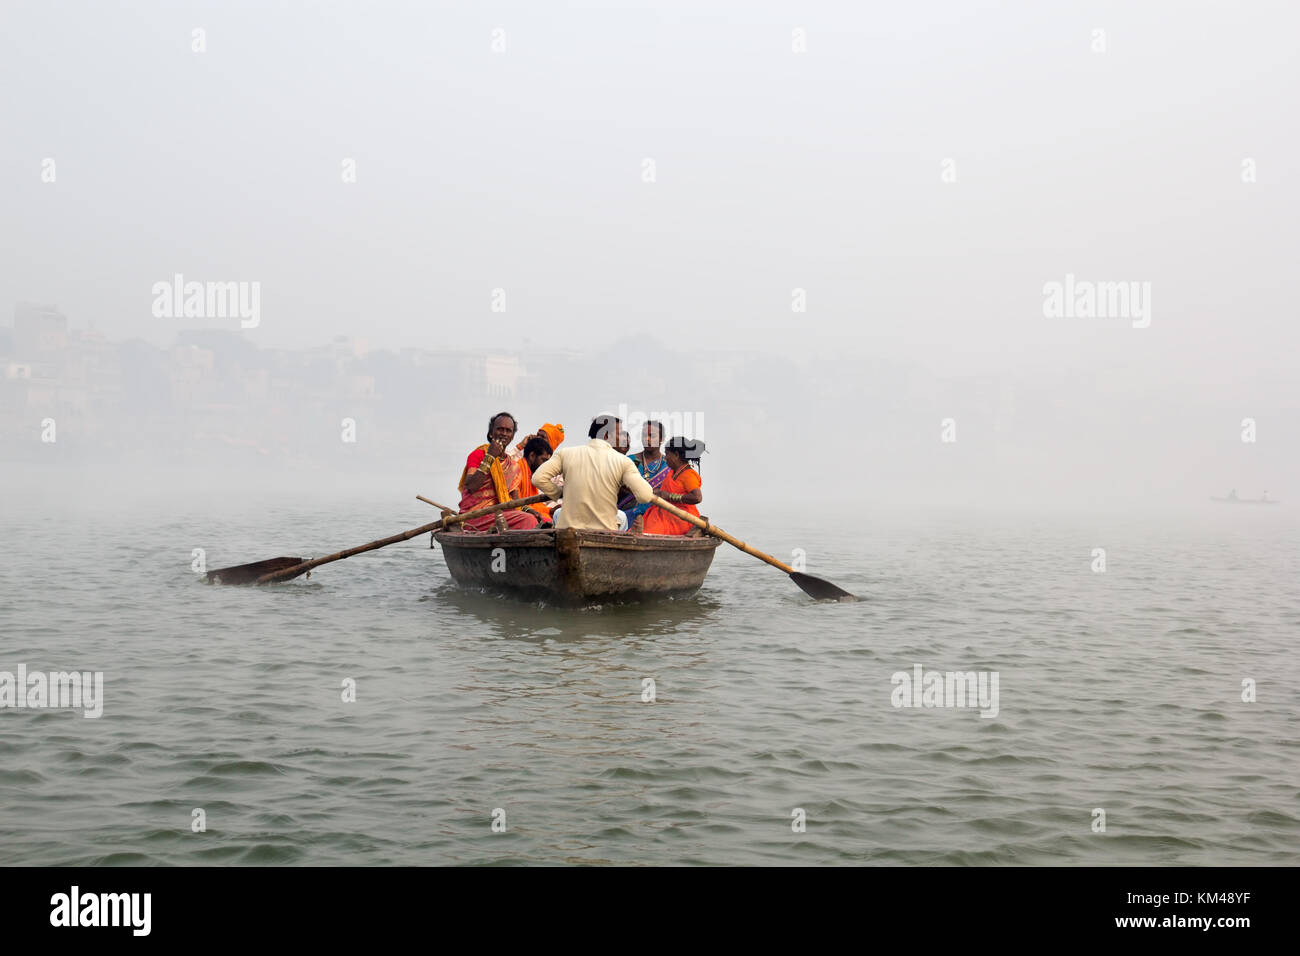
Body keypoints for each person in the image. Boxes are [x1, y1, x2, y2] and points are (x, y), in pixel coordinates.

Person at [531, 415, 655, 531]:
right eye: (619, 434)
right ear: (606, 435)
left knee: (558, 514)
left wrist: (559, 493)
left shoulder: (566, 453)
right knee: (621, 517)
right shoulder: (623, 461)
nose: (621, 438)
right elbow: (645, 495)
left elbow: (538, 478)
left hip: (568, 529)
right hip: (605, 530)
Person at [456, 412, 540, 532]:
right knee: (527, 520)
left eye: (508, 430)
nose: (504, 434)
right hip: (474, 517)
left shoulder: (513, 466)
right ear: (491, 432)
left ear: (512, 436)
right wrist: (490, 456)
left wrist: (528, 510)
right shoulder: (478, 455)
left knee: (535, 518)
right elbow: (471, 486)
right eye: (500, 429)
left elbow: (515, 501)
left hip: (502, 516)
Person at [642, 437, 705, 535]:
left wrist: (669, 496)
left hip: (681, 518)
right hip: (665, 514)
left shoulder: (688, 474)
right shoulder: (672, 472)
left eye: (667, 454)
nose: (665, 457)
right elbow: (665, 491)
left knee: (649, 532)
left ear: (676, 455)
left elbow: (697, 497)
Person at [618, 420, 670, 531]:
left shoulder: (669, 466)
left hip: (657, 518)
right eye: (644, 435)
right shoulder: (629, 461)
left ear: (661, 439)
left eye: (652, 436)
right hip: (626, 515)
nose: (647, 439)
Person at [517, 435, 556, 526]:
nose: (546, 465)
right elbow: (516, 503)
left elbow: (534, 504)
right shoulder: (517, 470)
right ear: (532, 456)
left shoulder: (532, 475)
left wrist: (550, 510)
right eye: (543, 460)